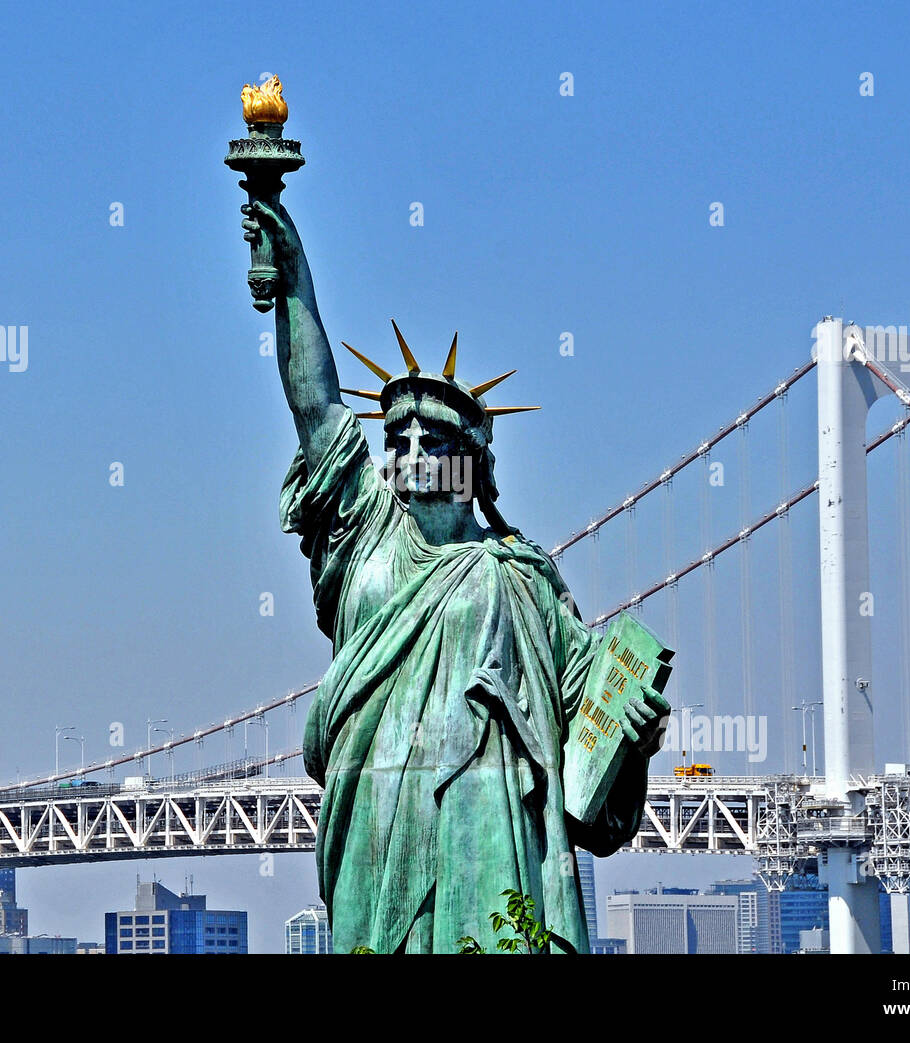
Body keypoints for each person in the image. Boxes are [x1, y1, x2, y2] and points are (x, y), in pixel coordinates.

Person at [241, 199, 671, 953]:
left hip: (489, 828)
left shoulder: (524, 580)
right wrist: (294, 278)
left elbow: (587, 735)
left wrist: (637, 735)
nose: (409, 449)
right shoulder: (368, 530)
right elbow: (316, 407)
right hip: (371, 817)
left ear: (472, 460)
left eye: (432, 437)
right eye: (396, 437)